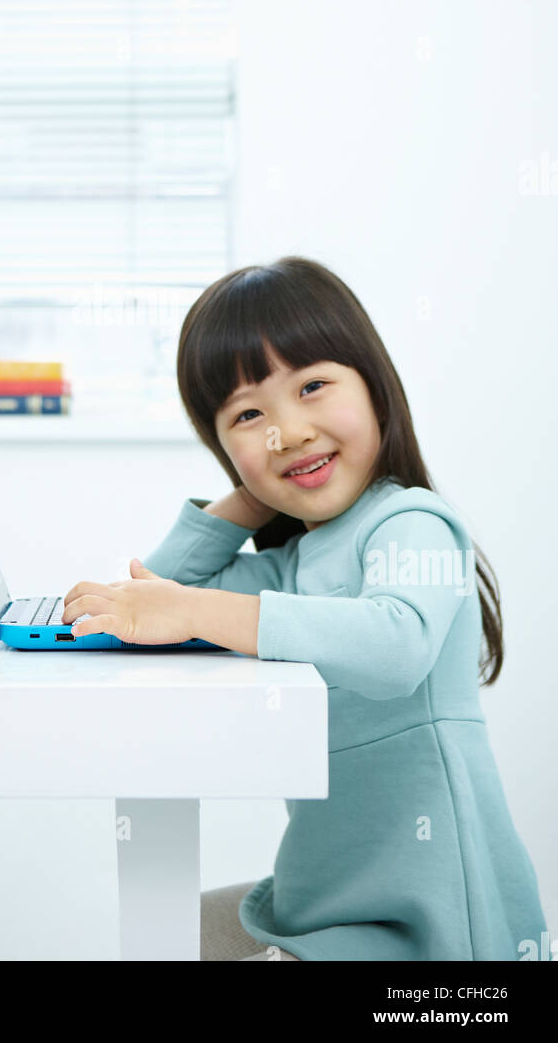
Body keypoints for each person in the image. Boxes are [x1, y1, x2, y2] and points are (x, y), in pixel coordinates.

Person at [62, 256, 548, 961]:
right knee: (157, 929)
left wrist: (194, 607)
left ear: (376, 389)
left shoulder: (413, 522)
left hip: (430, 932)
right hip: (323, 903)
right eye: (248, 416)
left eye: (314, 386)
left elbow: (393, 646)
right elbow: (155, 609)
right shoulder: (294, 563)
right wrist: (249, 495)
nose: (285, 431)